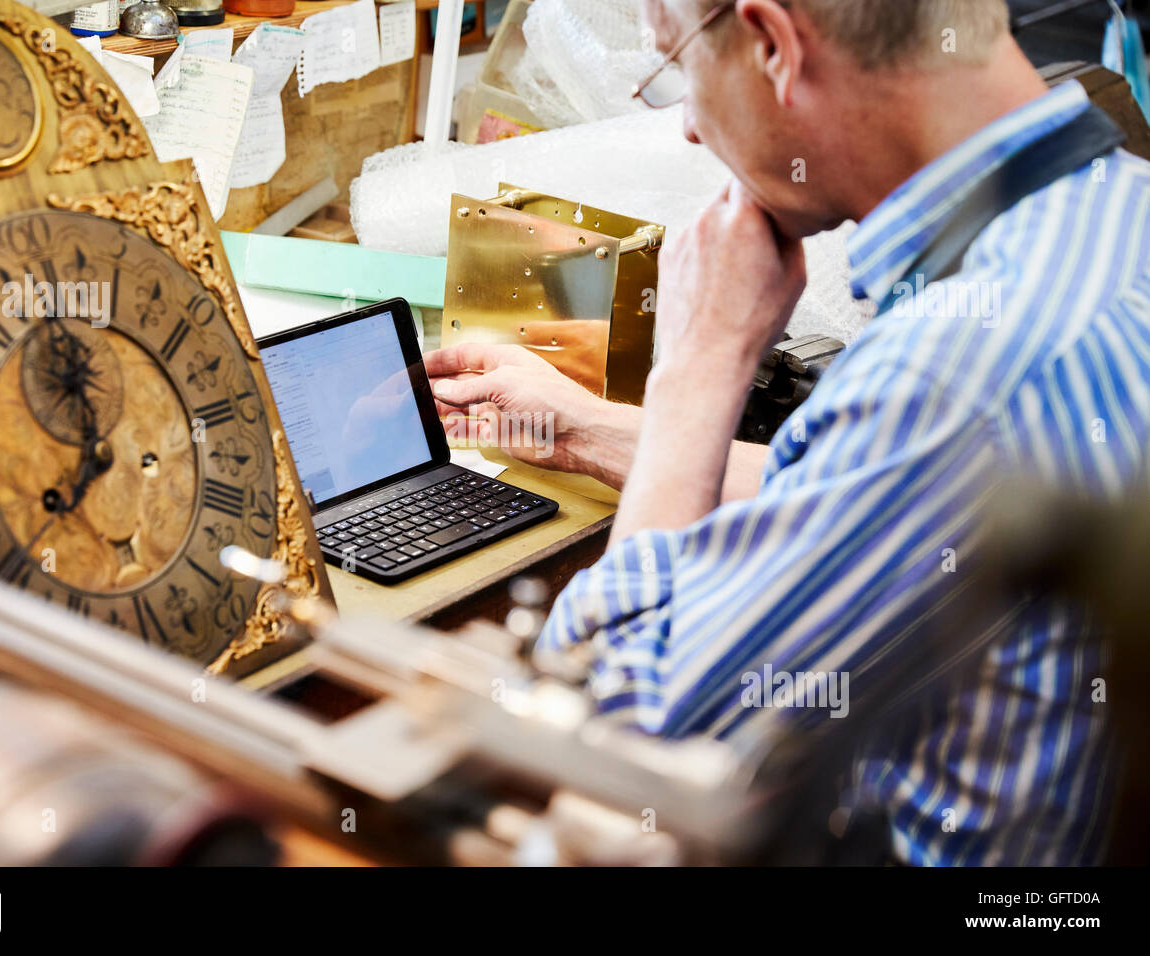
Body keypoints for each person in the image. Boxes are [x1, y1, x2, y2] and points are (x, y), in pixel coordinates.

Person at [425, 0, 1150, 865]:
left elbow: (615, 735)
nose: (690, 129)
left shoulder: (950, 373)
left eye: (676, 73)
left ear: (773, 44)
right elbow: (884, 502)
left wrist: (699, 365)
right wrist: (592, 433)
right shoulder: (1113, 212)